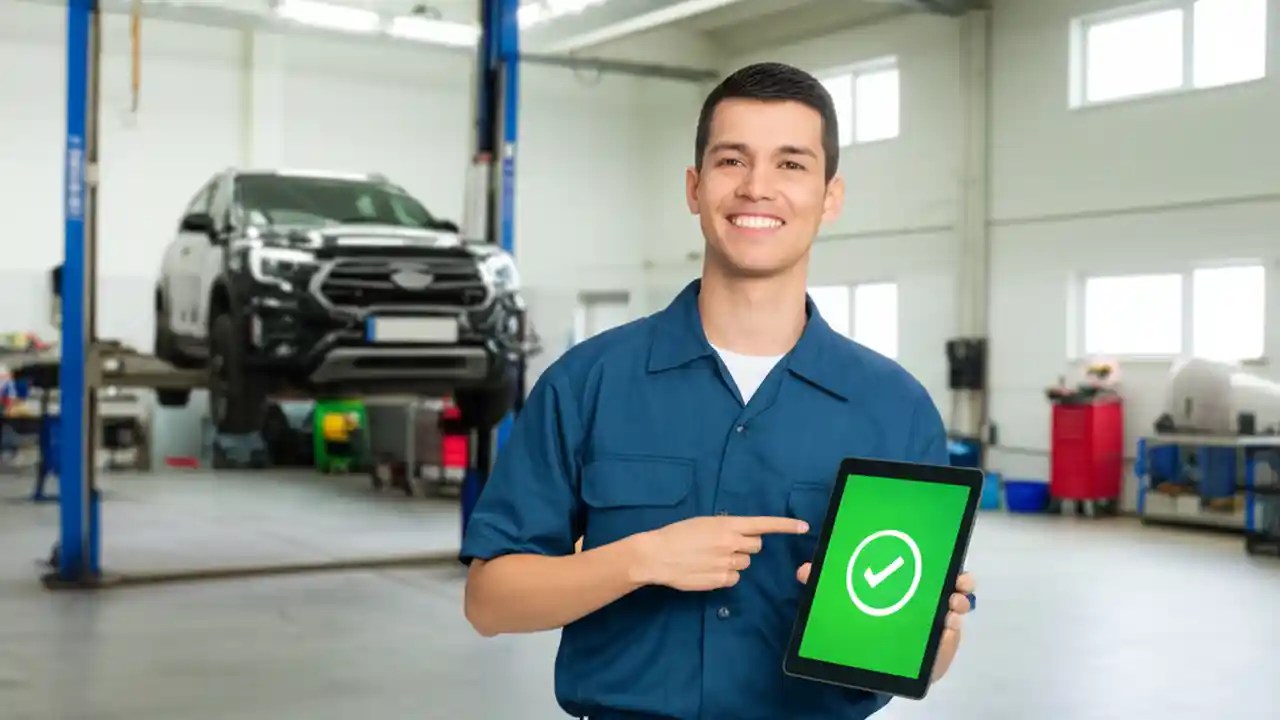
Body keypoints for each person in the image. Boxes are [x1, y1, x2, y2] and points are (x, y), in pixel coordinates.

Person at [460, 61, 976, 720]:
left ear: (830, 196)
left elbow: (913, 648)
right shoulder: (589, 382)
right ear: (695, 187)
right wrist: (644, 558)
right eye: (732, 160)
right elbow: (489, 601)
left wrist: (932, 642)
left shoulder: (895, 409)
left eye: (791, 164)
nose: (757, 187)